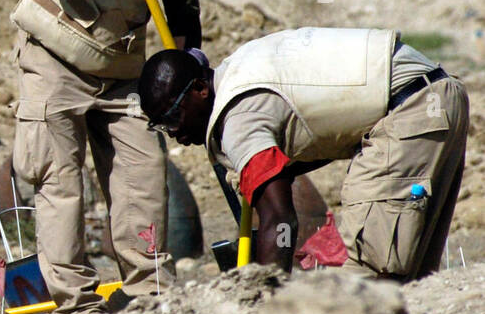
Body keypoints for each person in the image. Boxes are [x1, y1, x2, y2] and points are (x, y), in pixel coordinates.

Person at [11, 0, 231, 313]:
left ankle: (150, 296)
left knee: (143, 176)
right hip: (53, 58)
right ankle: (75, 304)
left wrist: (190, 73)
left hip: (125, 70)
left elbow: (183, 15)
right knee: (59, 180)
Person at [137, 27, 469, 279]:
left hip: (409, 110)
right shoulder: (239, 69)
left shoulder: (237, 120)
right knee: (408, 278)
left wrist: (264, 295)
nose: (174, 133)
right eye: (162, 126)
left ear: (199, 89)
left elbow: (280, 218)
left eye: (173, 117)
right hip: (437, 95)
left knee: (365, 276)